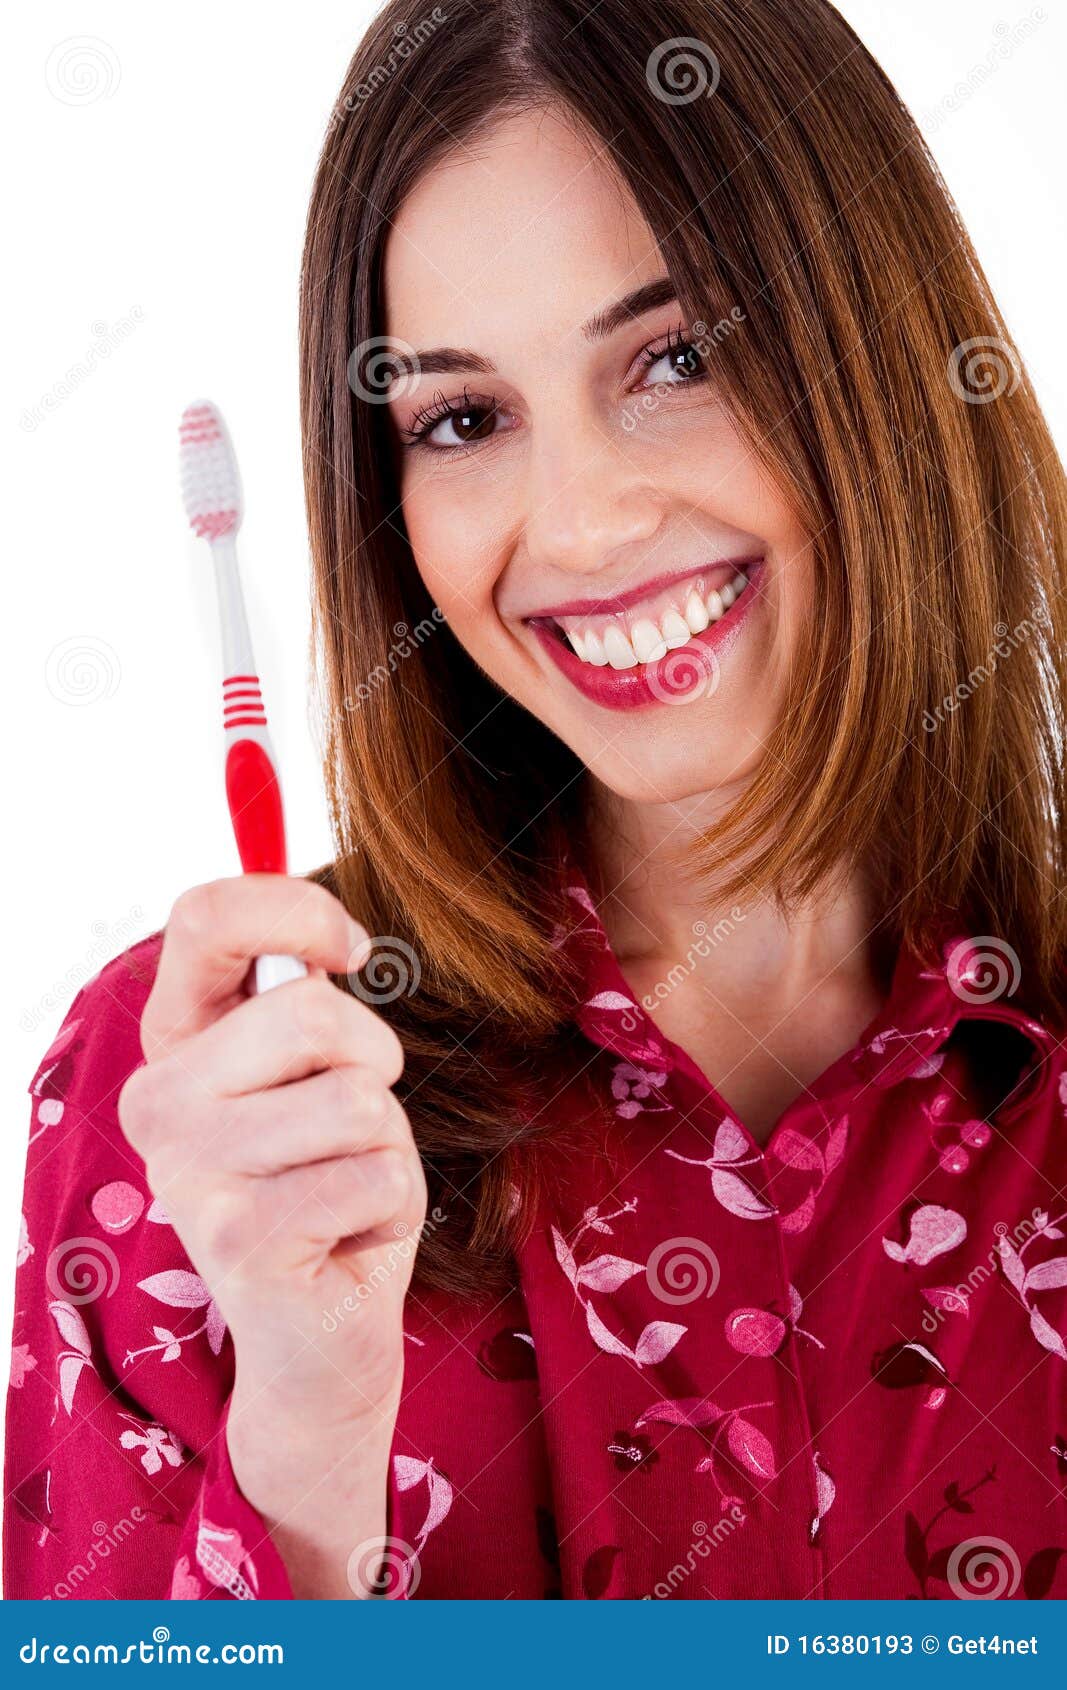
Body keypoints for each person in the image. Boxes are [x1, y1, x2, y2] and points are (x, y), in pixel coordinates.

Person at [7, 0, 1067, 1602]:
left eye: (679, 357)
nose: (575, 527)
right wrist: (304, 1443)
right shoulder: (201, 1109)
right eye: (462, 418)